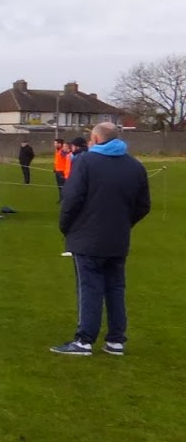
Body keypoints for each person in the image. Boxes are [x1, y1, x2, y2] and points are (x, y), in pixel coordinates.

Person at [51, 122, 150, 355]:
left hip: (88, 238)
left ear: (95, 139)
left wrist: (67, 228)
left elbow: (71, 199)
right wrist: (124, 223)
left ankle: (84, 339)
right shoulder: (135, 166)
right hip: (118, 238)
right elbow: (143, 205)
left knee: (89, 287)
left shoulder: (85, 162)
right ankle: (116, 340)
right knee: (115, 288)